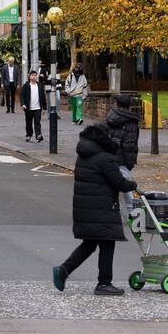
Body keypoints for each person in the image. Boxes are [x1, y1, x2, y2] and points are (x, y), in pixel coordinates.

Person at [51, 123, 138, 296]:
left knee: (90, 244)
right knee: (107, 243)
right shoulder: (105, 158)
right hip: (102, 208)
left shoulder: (84, 155)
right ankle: (104, 283)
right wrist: (133, 184)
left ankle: (63, 270)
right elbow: (119, 183)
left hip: (87, 208)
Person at [21, 69, 46, 142]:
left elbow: (43, 96)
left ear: (37, 76)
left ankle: (38, 135)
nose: (33, 77)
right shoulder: (26, 85)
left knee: (37, 122)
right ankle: (29, 135)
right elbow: (22, 96)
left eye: (35, 75)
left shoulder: (40, 85)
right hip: (28, 108)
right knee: (28, 123)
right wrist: (23, 104)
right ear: (29, 77)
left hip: (37, 107)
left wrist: (44, 107)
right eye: (32, 75)